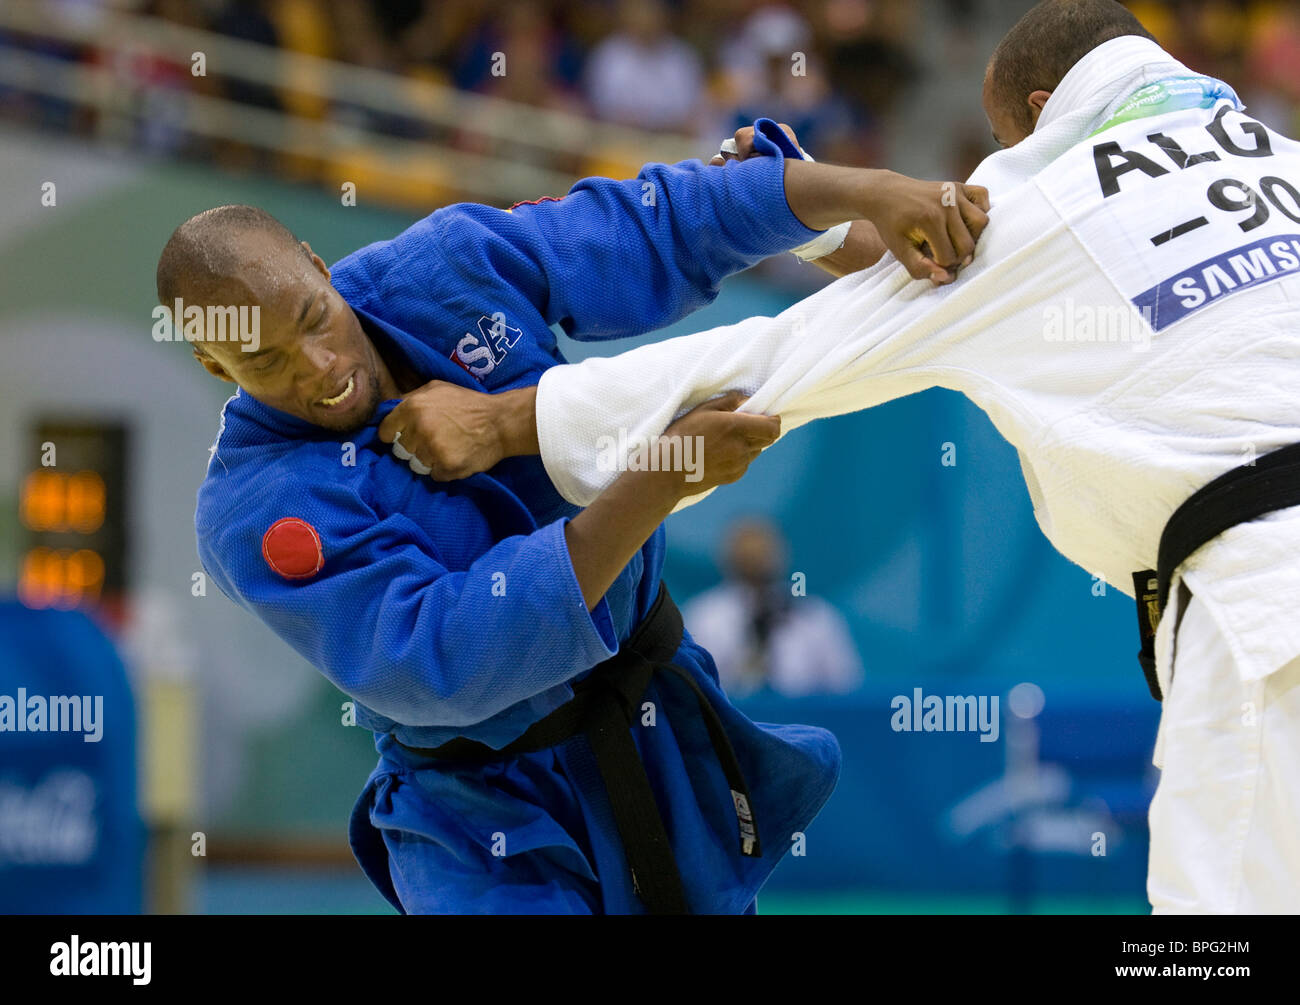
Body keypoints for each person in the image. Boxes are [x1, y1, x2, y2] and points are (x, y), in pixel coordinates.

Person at [442, 0, 1300, 914]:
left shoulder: (1040, 205)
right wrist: (813, 216)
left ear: (1048, 108)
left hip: (1266, 608)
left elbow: (772, 360)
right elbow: (991, 288)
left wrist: (512, 422)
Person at [165, 146, 987, 913]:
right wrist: (659, 478)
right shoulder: (254, 508)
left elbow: (655, 223)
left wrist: (862, 193)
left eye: (315, 317)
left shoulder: (444, 267)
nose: (318, 367)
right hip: (486, 819)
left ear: (317, 263)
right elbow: (444, 656)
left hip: (657, 723)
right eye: (266, 360)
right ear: (213, 365)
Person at [684, 518, 863, 698]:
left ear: (781, 556)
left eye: (762, 552)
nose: (755, 559)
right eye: (748, 554)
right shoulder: (703, 616)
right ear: (727, 558)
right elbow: (691, 687)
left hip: (803, 719)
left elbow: (845, 688)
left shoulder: (814, 616)